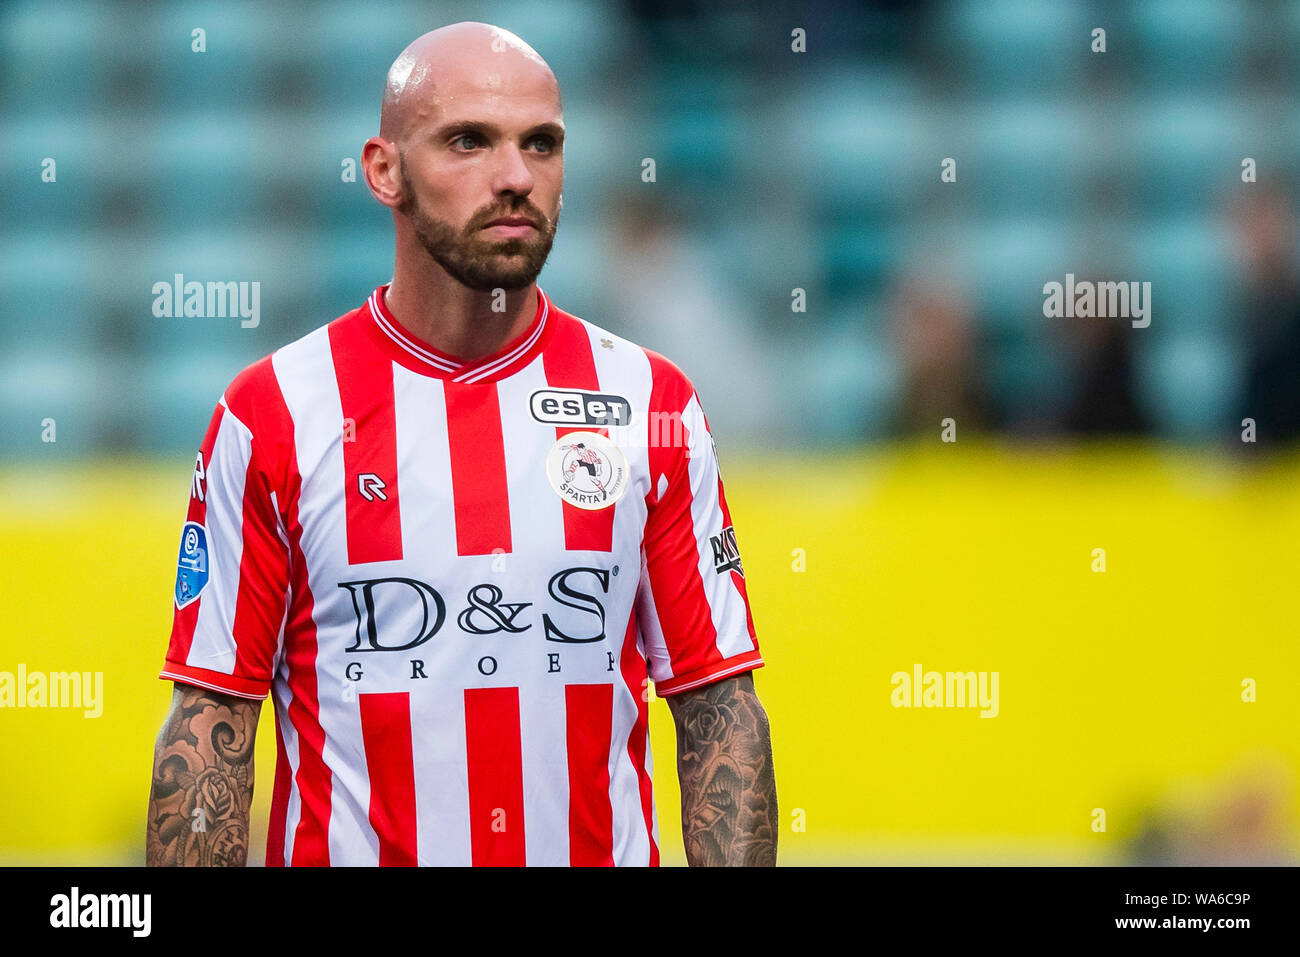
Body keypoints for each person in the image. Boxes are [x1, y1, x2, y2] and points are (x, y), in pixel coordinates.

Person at [145, 21, 775, 867]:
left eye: (541, 144)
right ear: (384, 171)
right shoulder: (274, 415)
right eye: (468, 142)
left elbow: (718, 710)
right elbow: (211, 725)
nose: (516, 177)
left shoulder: (651, 404)